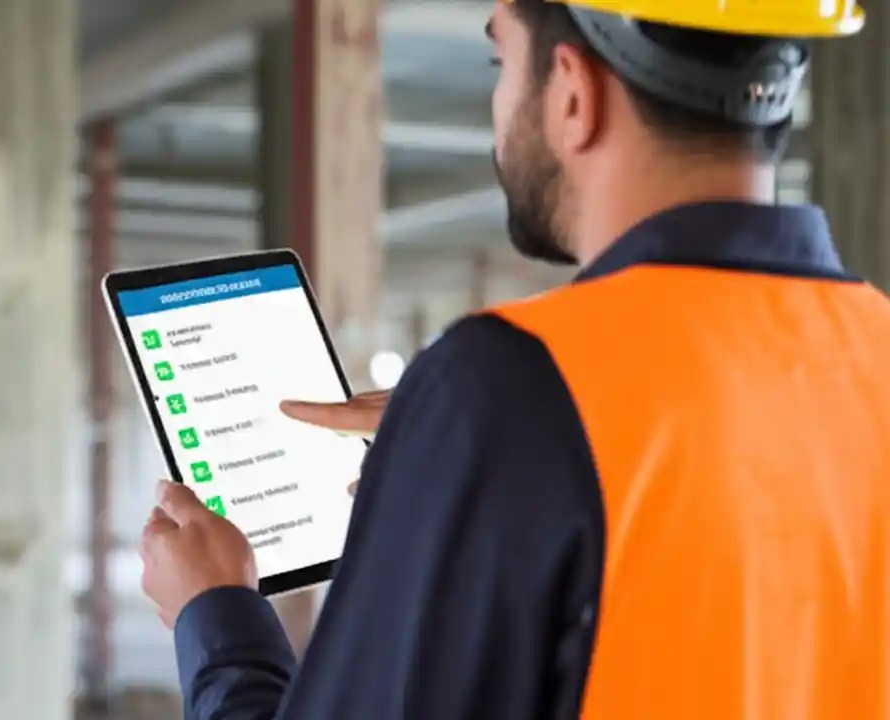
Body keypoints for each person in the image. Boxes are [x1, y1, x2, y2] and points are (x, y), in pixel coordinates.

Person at [138, 0, 889, 717]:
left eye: (502, 62)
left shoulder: (508, 385)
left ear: (573, 93)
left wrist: (214, 610)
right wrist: (477, 453)